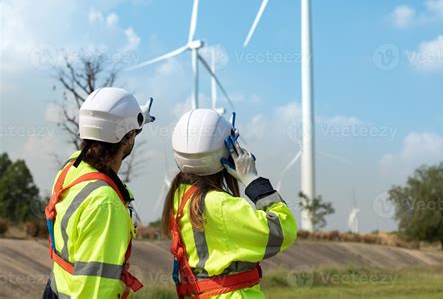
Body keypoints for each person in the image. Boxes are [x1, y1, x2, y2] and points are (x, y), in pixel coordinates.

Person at [161, 108, 297, 298]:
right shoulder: (220, 205)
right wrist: (252, 181)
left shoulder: (180, 198)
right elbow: (283, 230)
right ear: (229, 151)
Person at [43, 87, 155, 299]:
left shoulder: (71, 167)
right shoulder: (106, 204)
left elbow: (103, 126)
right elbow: (96, 290)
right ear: (129, 136)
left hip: (56, 289)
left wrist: (133, 123)